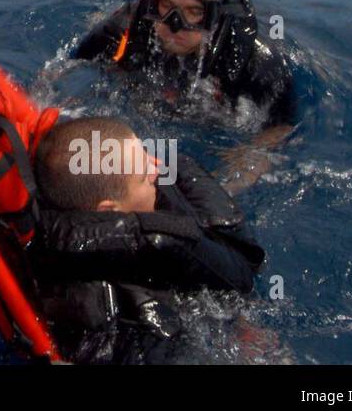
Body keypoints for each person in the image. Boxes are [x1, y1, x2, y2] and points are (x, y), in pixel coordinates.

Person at [28, 117, 265, 365]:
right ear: (110, 211)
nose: (156, 169)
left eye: (146, 155)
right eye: (143, 176)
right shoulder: (105, 311)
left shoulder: (79, 194)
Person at [71, 0, 296, 191]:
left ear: (217, 16)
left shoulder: (259, 64)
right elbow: (63, 73)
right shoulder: (120, 31)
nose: (175, 25)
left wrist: (237, 174)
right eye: (166, 6)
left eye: (195, 13)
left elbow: (280, 127)